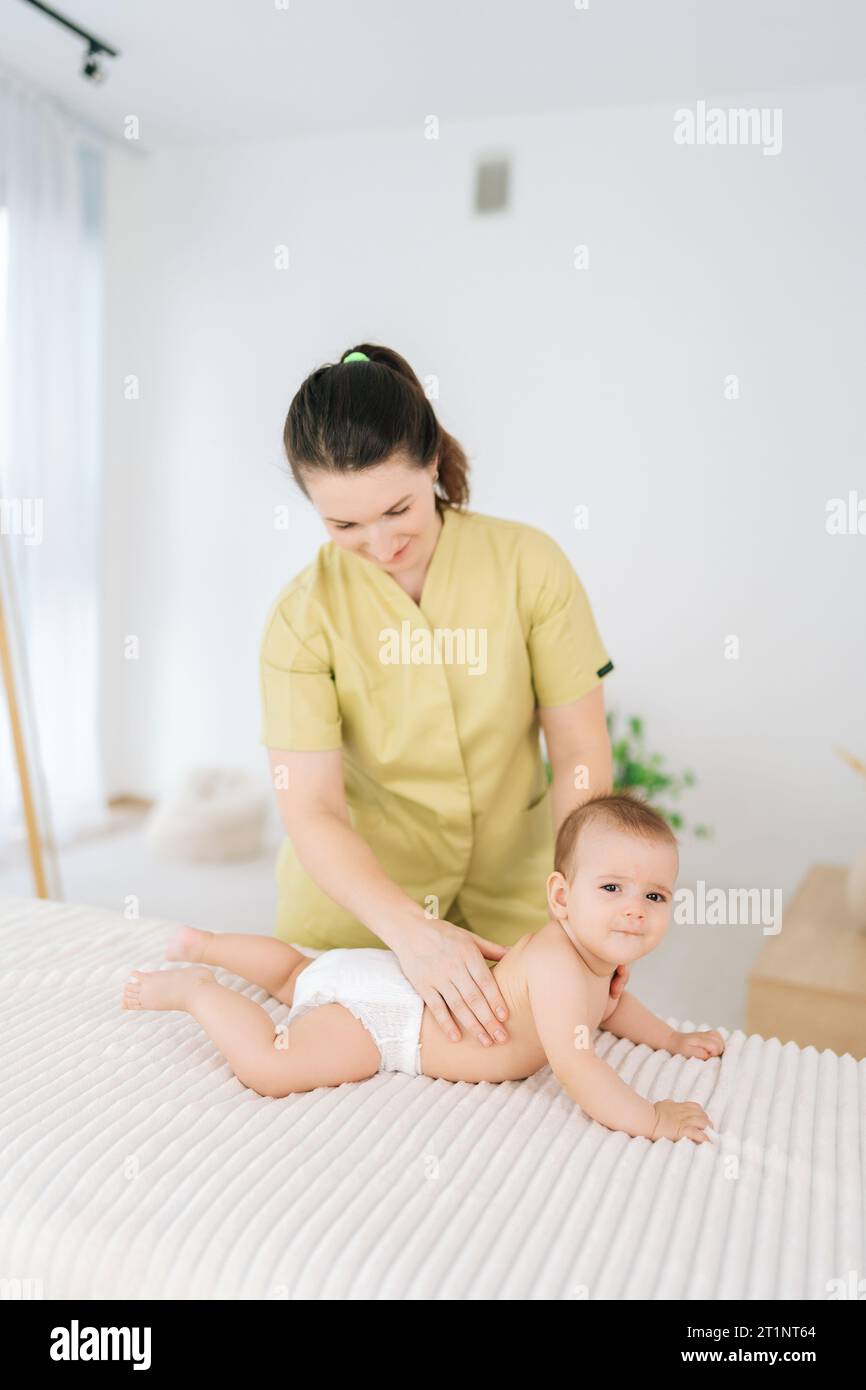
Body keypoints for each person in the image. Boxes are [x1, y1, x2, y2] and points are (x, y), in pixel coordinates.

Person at [258, 343, 623, 1052]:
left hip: (517, 889)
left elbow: (579, 750)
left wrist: (582, 912)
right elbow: (311, 806)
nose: (381, 540)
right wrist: (411, 934)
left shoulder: (529, 565)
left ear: (431, 463)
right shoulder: (300, 619)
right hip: (361, 909)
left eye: (397, 508)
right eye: (344, 525)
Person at [121, 791, 723, 1143]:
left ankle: (209, 943)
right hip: (388, 1023)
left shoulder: (595, 966)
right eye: (613, 887)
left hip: (400, 977)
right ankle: (198, 988)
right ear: (562, 897)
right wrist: (653, 1119)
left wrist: (670, 1037)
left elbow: (613, 1009)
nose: (634, 911)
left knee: (298, 973)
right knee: (273, 1065)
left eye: (654, 897)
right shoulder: (561, 965)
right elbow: (579, 1064)